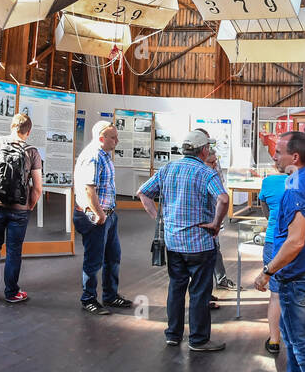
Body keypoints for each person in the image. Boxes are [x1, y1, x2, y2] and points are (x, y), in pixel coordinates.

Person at [138, 129, 230, 352]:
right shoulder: (206, 173)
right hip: (200, 243)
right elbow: (223, 198)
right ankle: (198, 340)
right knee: (199, 292)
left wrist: (161, 218)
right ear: (204, 150)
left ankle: (173, 334)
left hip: (174, 242)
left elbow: (143, 193)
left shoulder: (168, 168)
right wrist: (216, 224)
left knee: (176, 288)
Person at [253, 130, 305, 372]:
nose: (274, 157)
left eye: (278, 152)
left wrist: (268, 271)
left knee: (302, 344)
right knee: (293, 339)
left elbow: (296, 241)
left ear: (295, 157)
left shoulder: (297, 187)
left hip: (297, 275)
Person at [0, 113, 42, 304]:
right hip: (19, 210)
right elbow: (38, 187)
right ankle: (12, 292)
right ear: (28, 132)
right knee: (14, 250)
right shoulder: (32, 152)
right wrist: (29, 205)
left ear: (11, 126)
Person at [72, 120, 132, 314]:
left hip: (108, 215)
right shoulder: (93, 156)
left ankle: (110, 295)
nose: (117, 140)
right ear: (101, 138)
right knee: (94, 260)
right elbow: (89, 189)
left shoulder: (104, 154)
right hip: (95, 216)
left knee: (113, 256)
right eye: (113, 137)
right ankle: (88, 298)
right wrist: (99, 214)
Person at [257, 168, 289, 354]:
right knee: (303, 295)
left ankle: (274, 340)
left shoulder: (268, 182)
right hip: (298, 242)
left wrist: (274, 221)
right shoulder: (302, 180)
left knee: (275, 294)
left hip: (273, 240)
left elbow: (265, 207)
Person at [203, 148, 238, 291]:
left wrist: (217, 221)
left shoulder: (213, 172)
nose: (215, 165)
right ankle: (205, 290)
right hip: (204, 221)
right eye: (212, 162)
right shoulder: (201, 174)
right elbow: (223, 198)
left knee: (215, 249)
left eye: (215, 161)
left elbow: (221, 195)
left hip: (213, 217)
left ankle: (220, 279)